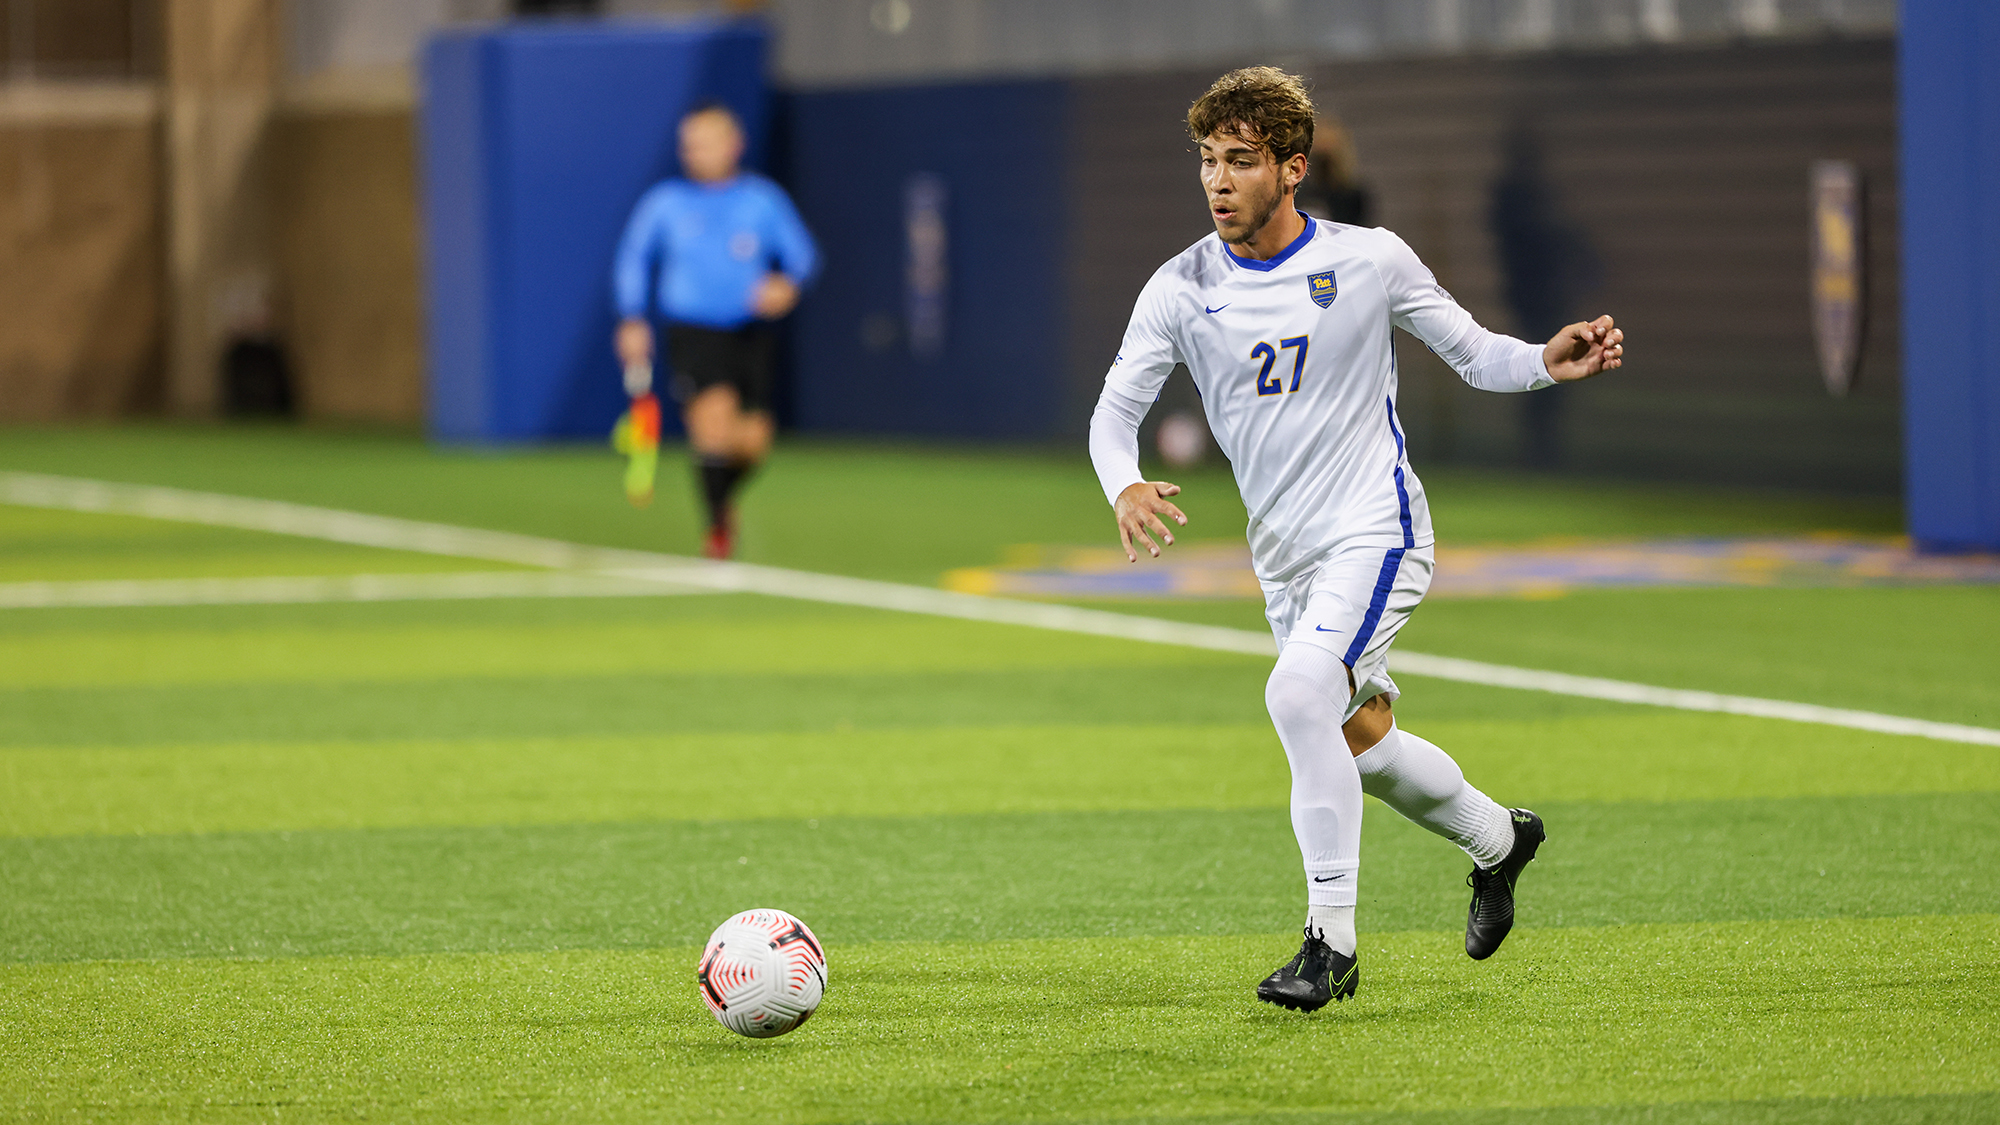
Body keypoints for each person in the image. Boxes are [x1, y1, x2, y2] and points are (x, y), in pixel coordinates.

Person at [1088, 67, 1624, 1011]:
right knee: (1358, 741)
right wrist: (1123, 480)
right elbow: (1114, 411)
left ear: (1293, 168)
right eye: (1209, 161)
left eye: (1242, 162)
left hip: (1377, 530)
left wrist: (1544, 359)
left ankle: (1329, 943)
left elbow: (1471, 350)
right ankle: (1500, 839)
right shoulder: (1180, 286)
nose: (1219, 181)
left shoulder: (1369, 260)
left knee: (1297, 693)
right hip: (1286, 557)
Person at [613, 102, 819, 560]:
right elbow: (633, 257)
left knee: (752, 444)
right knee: (714, 426)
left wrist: (787, 284)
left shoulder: (761, 201)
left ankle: (720, 495)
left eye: (703, 143)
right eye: (687, 145)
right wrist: (631, 317)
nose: (693, 153)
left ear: (734, 145)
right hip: (693, 331)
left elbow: (803, 256)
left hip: (750, 332)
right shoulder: (665, 203)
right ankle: (718, 532)